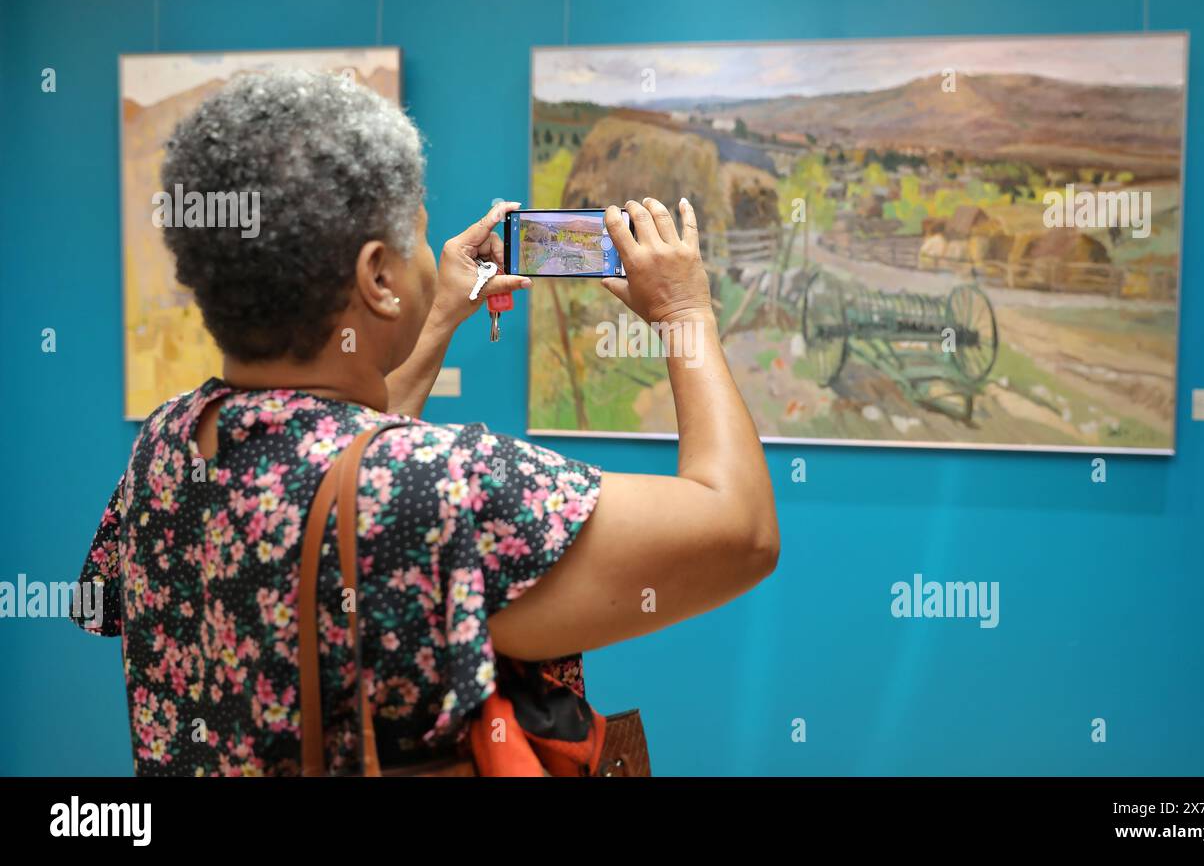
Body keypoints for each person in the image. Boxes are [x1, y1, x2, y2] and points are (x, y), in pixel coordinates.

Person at [71, 70, 779, 776]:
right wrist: (685, 315)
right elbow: (740, 533)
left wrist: (439, 314)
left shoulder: (167, 446)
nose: (427, 255)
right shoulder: (448, 487)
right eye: (416, 235)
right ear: (377, 278)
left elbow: (341, 461)